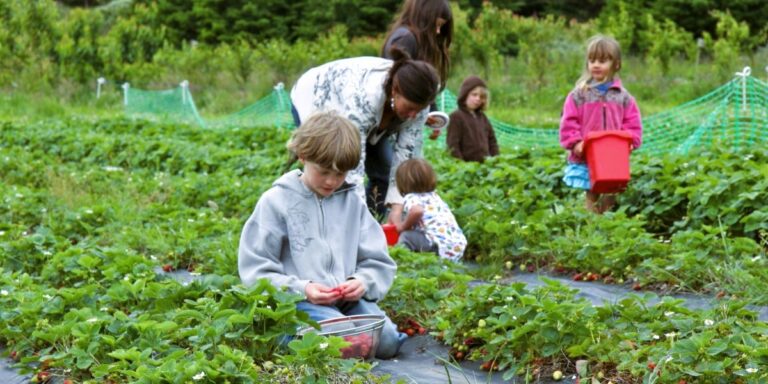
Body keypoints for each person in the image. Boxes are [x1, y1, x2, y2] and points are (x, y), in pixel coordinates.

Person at [238, 112, 405, 359]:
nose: (331, 181)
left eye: (341, 174)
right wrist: (303, 288)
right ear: (303, 156)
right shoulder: (276, 202)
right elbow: (257, 271)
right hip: (300, 301)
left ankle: (325, 337)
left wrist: (362, 282)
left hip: (343, 300)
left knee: (387, 341)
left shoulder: (352, 202)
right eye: (324, 171)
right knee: (348, 340)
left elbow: (377, 260)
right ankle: (284, 336)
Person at [290, 47, 441, 224]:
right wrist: (358, 224)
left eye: (420, 110)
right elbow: (353, 168)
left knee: (383, 170)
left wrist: (397, 207)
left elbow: (406, 157)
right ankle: (313, 221)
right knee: (325, 169)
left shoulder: (418, 104)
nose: (414, 115)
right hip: (317, 95)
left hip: (369, 115)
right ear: (395, 91)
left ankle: (374, 223)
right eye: (409, 108)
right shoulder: (363, 99)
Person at [366, 0, 453, 217]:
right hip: (380, 120)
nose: (438, 30)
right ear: (423, 16)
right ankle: (372, 223)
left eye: (442, 26)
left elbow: (420, 87)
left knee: (396, 174)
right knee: (388, 173)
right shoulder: (405, 38)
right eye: (436, 24)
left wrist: (430, 113)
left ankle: (385, 221)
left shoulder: (416, 41)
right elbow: (399, 83)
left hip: (396, 120)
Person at [559, 34, 643, 214]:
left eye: (602, 61)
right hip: (588, 152)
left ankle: (603, 219)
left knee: (612, 190)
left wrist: (630, 141)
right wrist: (575, 143)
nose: (596, 65)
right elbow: (568, 121)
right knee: (592, 190)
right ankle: (592, 224)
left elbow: (632, 123)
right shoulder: (579, 95)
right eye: (592, 60)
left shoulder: (623, 97)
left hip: (613, 154)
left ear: (616, 64)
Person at [392, 158, 466, 262]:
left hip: (438, 244)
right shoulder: (434, 196)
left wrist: (403, 226)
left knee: (407, 236)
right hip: (456, 244)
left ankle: (400, 262)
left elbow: (417, 211)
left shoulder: (412, 197)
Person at [446, 75, 499, 162]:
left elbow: (492, 141)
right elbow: (453, 145)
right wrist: (461, 166)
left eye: (481, 97)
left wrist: (496, 160)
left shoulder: (483, 118)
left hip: (485, 166)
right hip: (466, 168)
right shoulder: (456, 117)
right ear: (465, 95)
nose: (478, 99)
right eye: (474, 95)